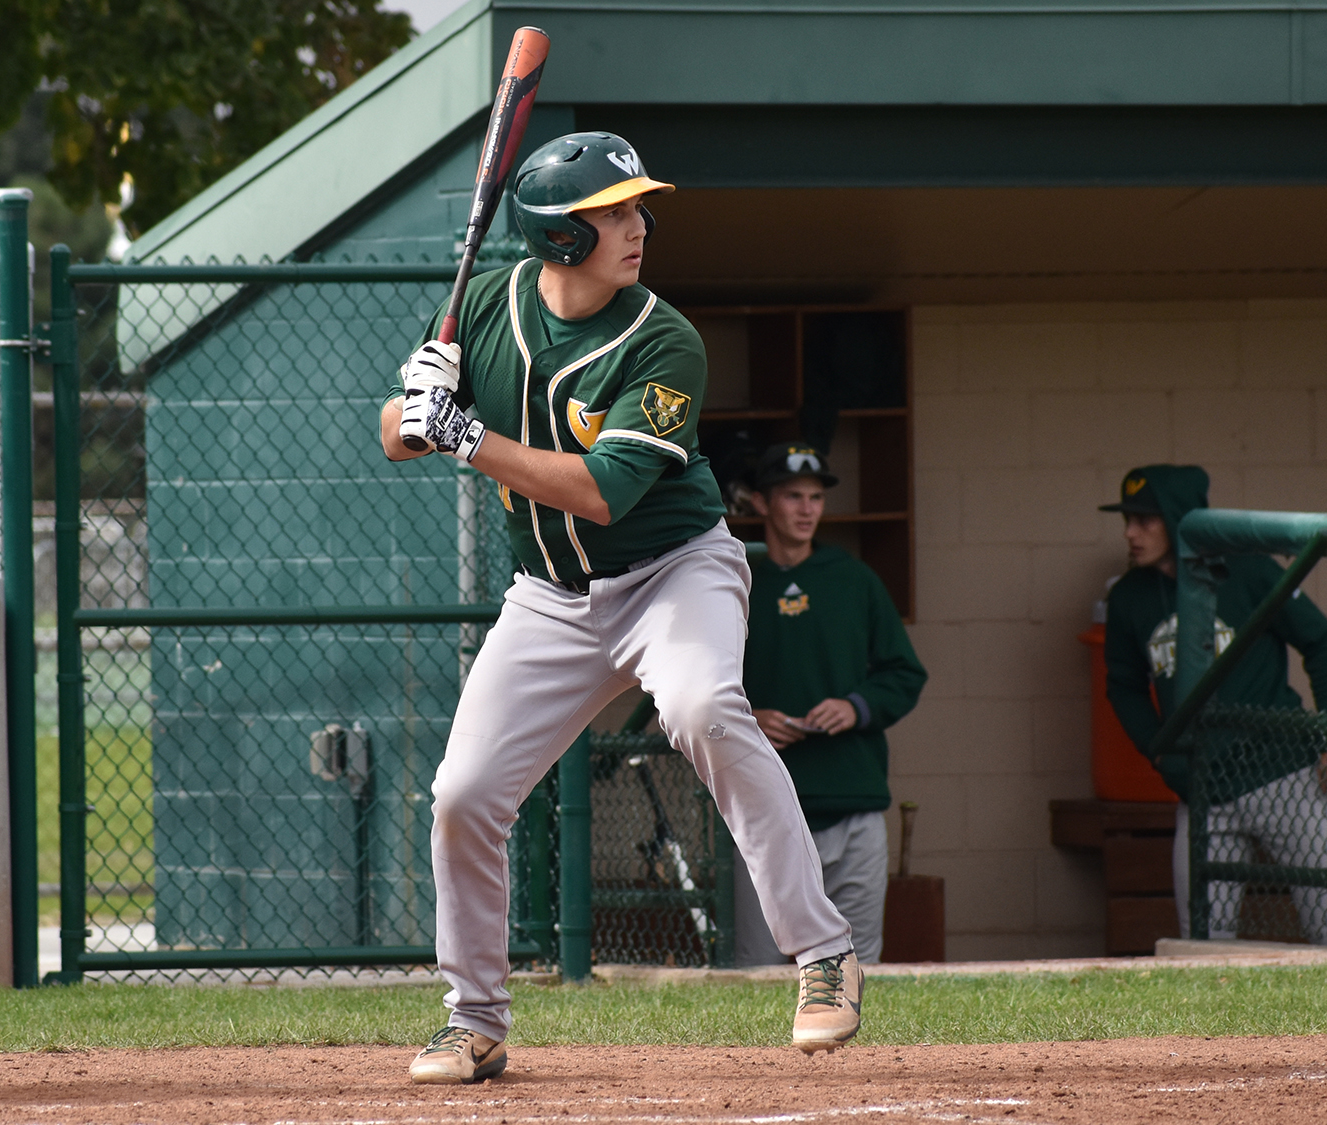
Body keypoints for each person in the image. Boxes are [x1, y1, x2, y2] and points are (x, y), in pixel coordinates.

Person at [381, 132, 862, 1084]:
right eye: (614, 213)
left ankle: (824, 955)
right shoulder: (483, 299)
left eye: (637, 207)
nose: (639, 226)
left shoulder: (665, 339)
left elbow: (602, 493)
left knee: (701, 709)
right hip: (550, 599)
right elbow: (398, 435)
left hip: (675, 573)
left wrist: (465, 435)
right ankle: (474, 1018)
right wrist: (414, 411)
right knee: (463, 795)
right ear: (560, 239)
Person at [1099, 465, 1327, 945]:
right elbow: (1123, 684)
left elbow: (1320, 642)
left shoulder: (1248, 570)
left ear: (1178, 519)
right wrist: (1160, 749)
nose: (1131, 533)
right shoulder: (1130, 597)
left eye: (1146, 520)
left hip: (1282, 774)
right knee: (1200, 944)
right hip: (1201, 789)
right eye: (1128, 519)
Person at [733, 443, 926, 968]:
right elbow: (690, 684)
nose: (806, 509)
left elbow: (905, 673)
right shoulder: (732, 581)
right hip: (761, 808)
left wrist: (855, 707)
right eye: (792, 496)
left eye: (815, 497)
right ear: (760, 503)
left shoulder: (854, 578)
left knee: (858, 967)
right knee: (759, 971)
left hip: (853, 802)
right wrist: (749, 720)